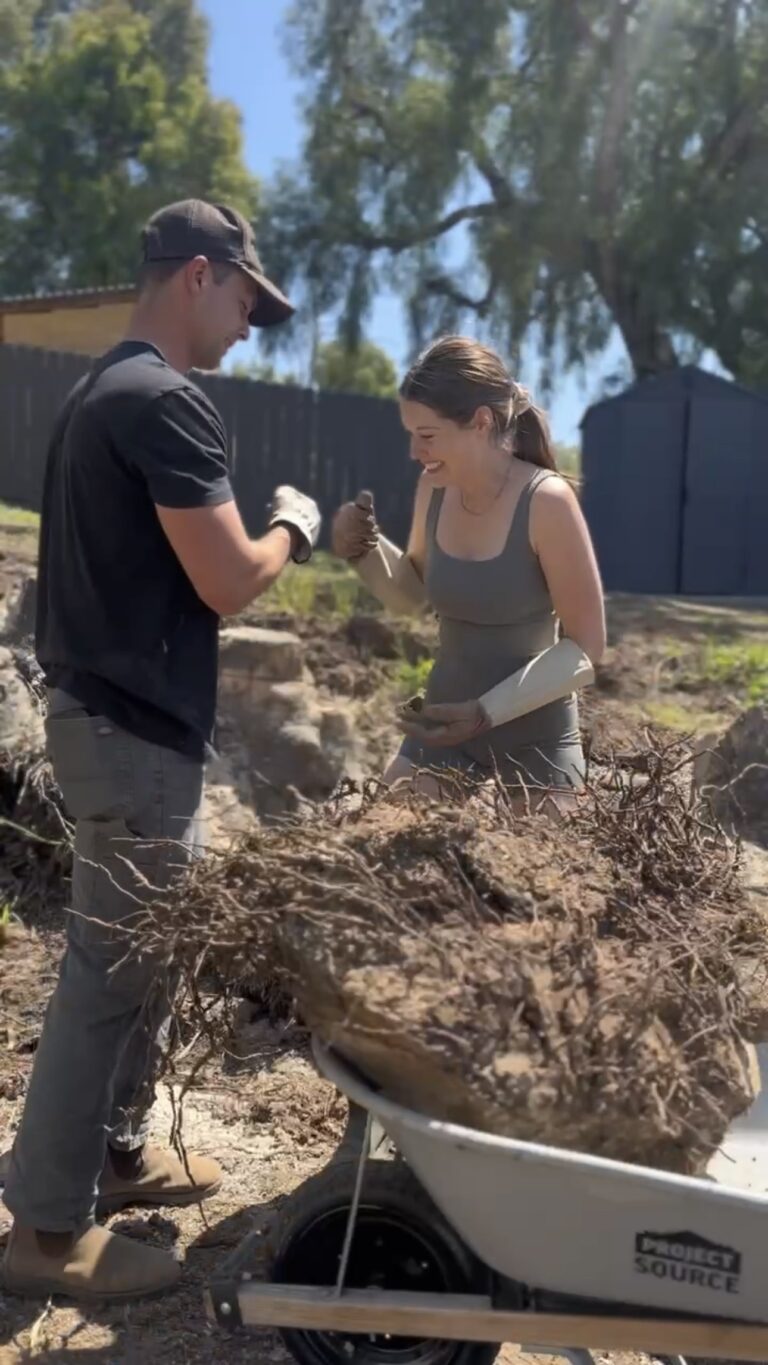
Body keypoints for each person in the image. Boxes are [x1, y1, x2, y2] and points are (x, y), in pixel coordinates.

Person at [1, 199, 320, 1303]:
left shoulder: (101, 394)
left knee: (141, 960)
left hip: (113, 727)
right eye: (246, 300)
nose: (249, 324)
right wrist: (297, 527)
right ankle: (45, 1232)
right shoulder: (165, 403)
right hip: (132, 740)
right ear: (197, 275)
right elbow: (229, 579)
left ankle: (119, 1156)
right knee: (106, 975)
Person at [332, 335, 605, 802]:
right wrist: (362, 551)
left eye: (428, 435)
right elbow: (413, 594)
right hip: (441, 732)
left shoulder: (547, 502)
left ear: (480, 423)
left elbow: (586, 649)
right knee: (383, 851)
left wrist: (485, 712)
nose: (415, 452)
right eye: (411, 434)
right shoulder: (433, 489)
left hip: (537, 734)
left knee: (552, 874)